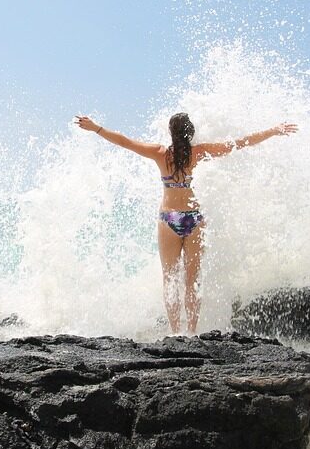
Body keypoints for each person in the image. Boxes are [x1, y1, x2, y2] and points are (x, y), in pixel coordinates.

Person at [75, 113, 298, 334]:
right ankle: (191, 331)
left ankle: (175, 332)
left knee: (170, 278)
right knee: (192, 280)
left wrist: (96, 128)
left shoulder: (160, 153)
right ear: (189, 132)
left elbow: (125, 142)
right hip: (194, 218)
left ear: (171, 132)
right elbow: (238, 144)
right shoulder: (198, 152)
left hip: (169, 219)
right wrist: (273, 131)